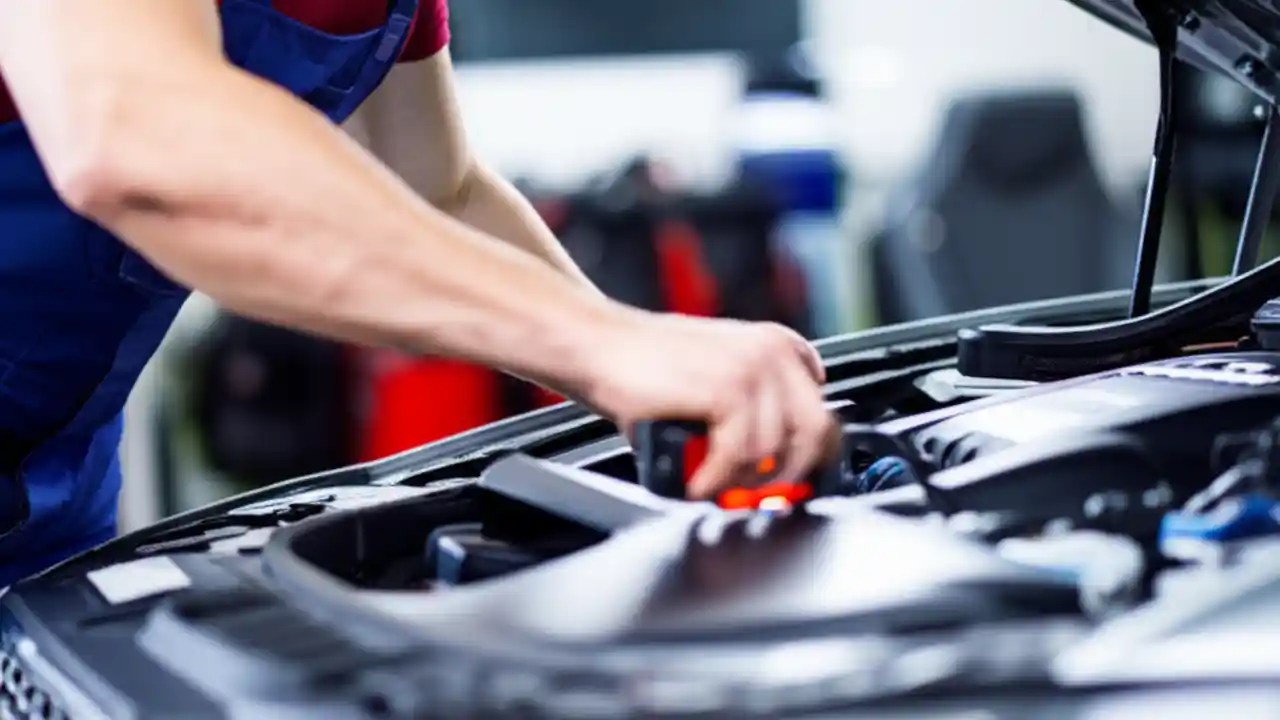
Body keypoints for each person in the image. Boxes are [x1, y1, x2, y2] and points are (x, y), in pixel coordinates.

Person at [0, 0, 839, 585]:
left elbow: (439, 192)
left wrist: (637, 354)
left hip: (49, 490)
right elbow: (134, 131)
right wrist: (606, 348)